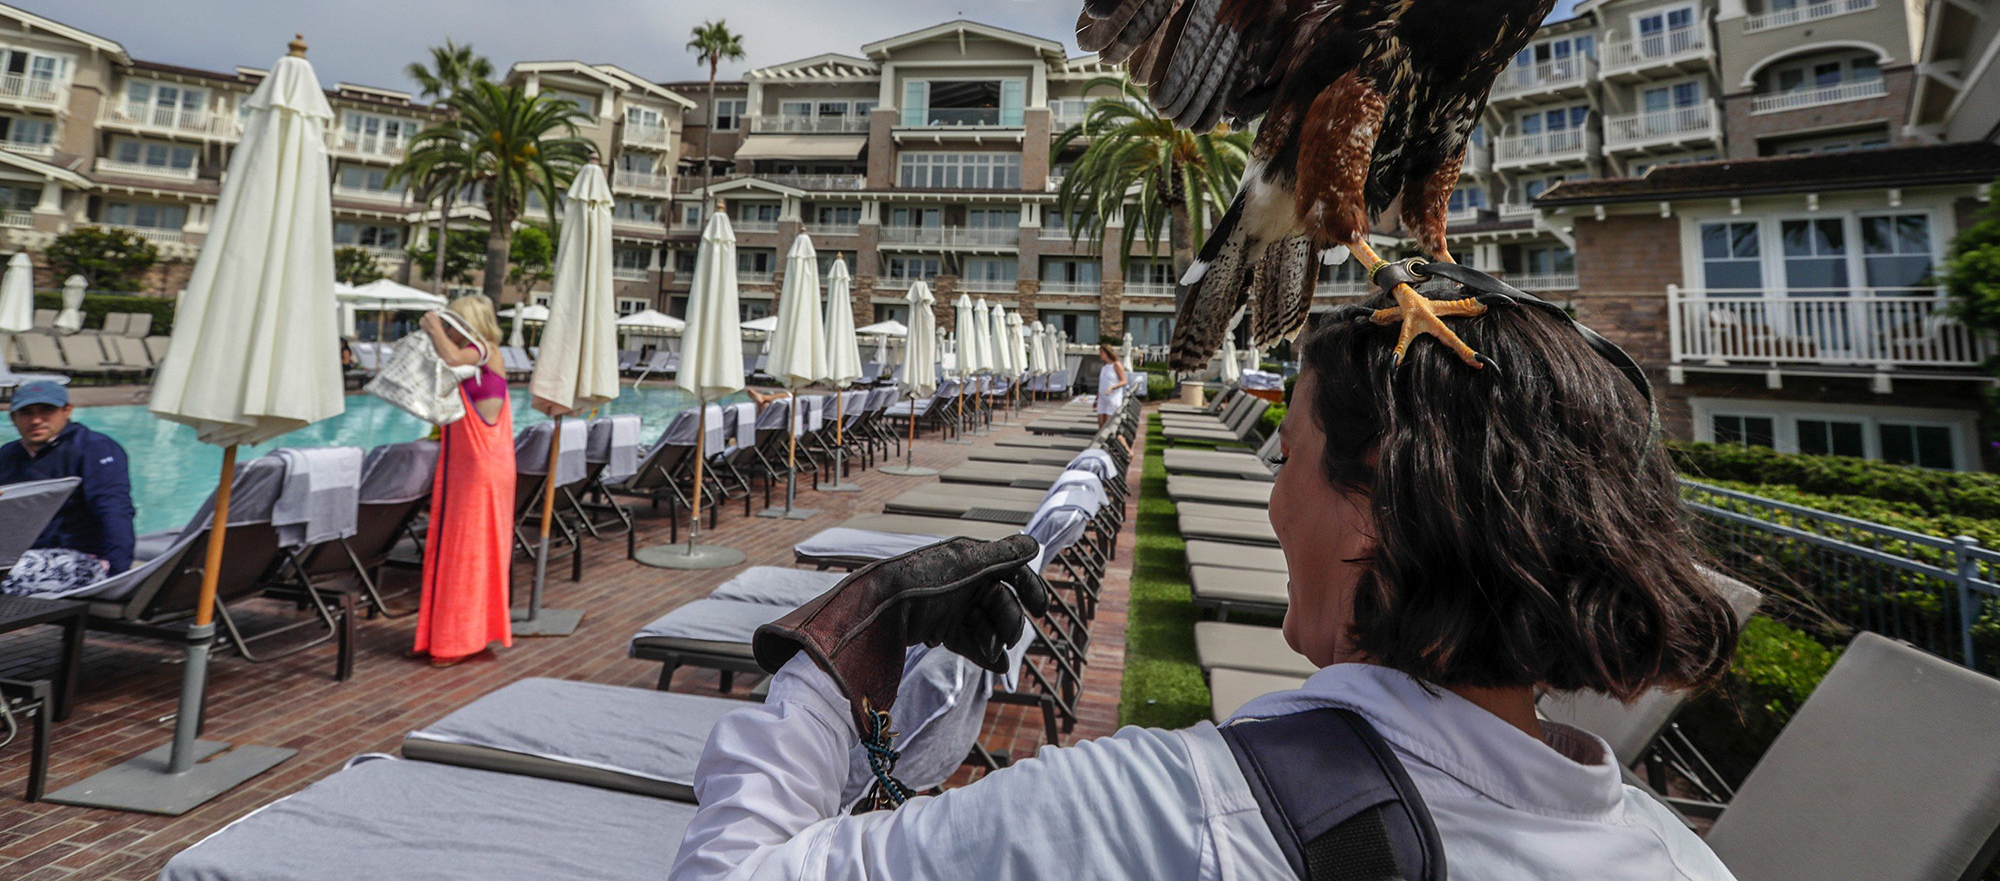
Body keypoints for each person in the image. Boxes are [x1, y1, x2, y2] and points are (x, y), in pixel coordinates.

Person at [670, 278, 1742, 880]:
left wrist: (841, 646)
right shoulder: (1674, 860)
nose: (1274, 500)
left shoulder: (1170, 813)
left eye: (1289, 461)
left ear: (1366, 512)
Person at [411, 294, 514, 667]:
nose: (449, 329)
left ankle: (455, 639)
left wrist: (433, 325)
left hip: (478, 468)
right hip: (477, 465)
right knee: (470, 548)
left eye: (455, 322)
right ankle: (467, 633)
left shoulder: (484, 351)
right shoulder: (475, 360)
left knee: (464, 550)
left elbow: (452, 358)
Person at [0, 379, 136, 596]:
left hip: (84, 558)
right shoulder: (8, 455)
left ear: (67, 411)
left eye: (47, 410)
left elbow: (114, 509)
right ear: (13, 418)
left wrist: (119, 574)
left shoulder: (94, 449)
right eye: (26, 412)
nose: (36, 420)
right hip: (21, 557)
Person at [1093, 342, 1128, 430]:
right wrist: (1096, 399)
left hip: (1112, 399)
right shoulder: (1104, 368)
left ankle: (1110, 443)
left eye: (1101, 352)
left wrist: (1112, 387)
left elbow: (1124, 381)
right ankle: (1101, 443)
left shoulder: (1116, 365)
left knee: (1109, 426)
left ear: (1107, 353)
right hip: (1102, 399)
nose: (1100, 355)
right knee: (1101, 425)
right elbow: (1101, 384)